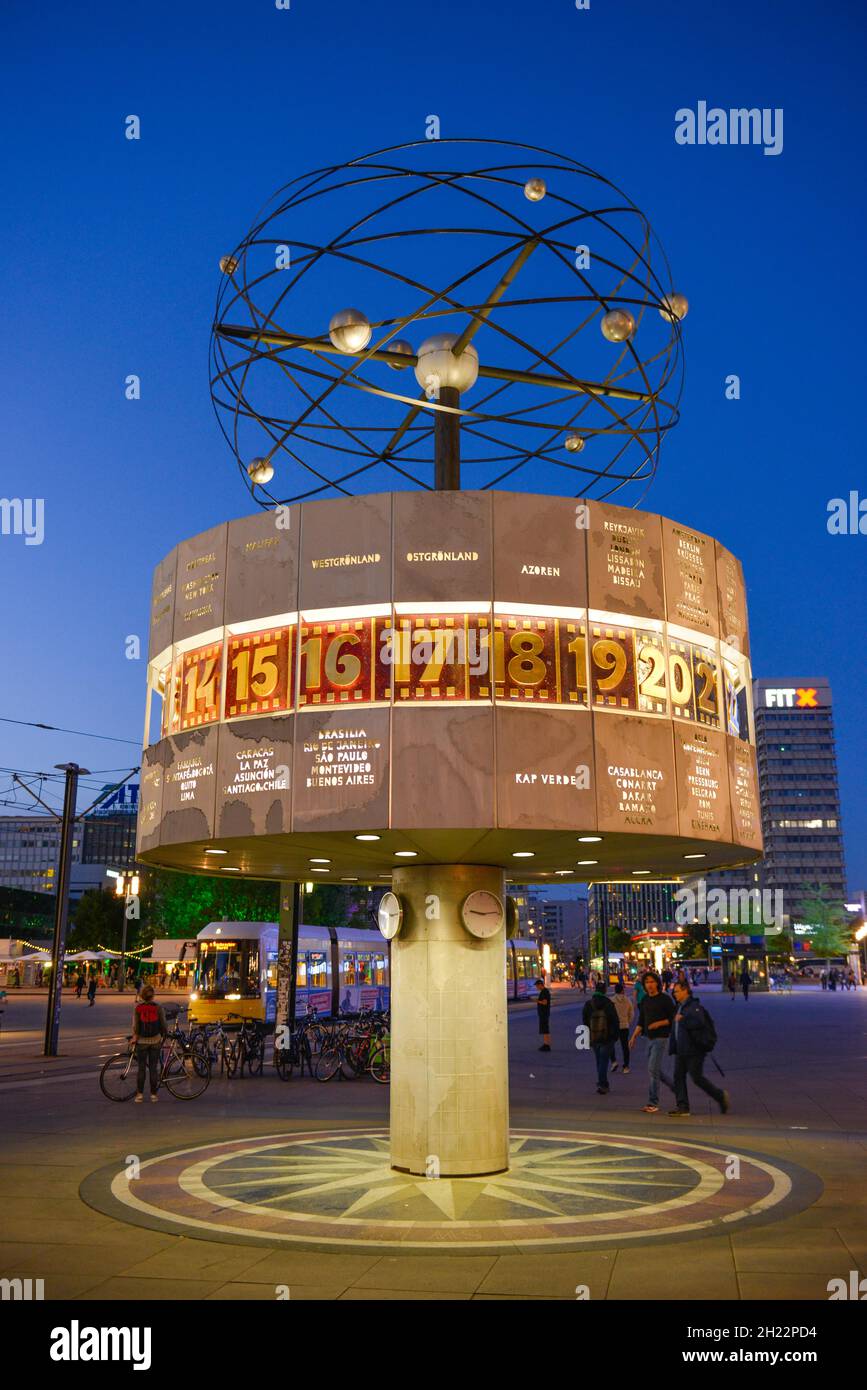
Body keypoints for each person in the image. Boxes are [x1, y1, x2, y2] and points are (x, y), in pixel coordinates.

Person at [667, 980, 729, 1117]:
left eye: (676, 991)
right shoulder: (680, 1006)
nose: (674, 994)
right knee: (678, 1077)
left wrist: (682, 1020)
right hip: (681, 1049)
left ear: (685, 991)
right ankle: (683, 1107)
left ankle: (720, 1096)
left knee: (697, 1078)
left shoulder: (694, 1007)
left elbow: (698, 1023)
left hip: (693, 1050)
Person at [629, 970, 675, 1113]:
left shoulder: (665, 999)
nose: (649, 985)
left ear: (657, 983)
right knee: (654, 1069)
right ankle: (675, 1087)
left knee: (652, 1069)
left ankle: (653, 1102)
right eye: (647, 982)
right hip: (647, 1038)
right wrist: (633, 1037)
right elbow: (641, 1020)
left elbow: (673, 1018)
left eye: (652, 982)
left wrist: (659, 1023)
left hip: (660, 1038)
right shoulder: (645, 1000)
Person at [131, 983, 168, 1103]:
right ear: (153, 996)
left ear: (142, 996)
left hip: (141, 1041)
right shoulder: (158, 1007)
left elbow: (136, 1026)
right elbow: (163, 1024)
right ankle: (153, 1095)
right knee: (153, 1068)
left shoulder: (138, 1008)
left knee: (141, 1068)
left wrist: (135, 1036)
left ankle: (139, 1095)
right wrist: (164, 1035)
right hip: (155, 1040)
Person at [582, 983, 619, 1094]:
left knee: (599, 1060)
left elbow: (585, 1021)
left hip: (594, 1037)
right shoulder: (609, 1003)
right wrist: (614, 1036)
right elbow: (615, 1021)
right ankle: (602, 1084)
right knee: (603, 1061)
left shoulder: (588, 1004)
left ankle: (602, 1082)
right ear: (605, 991)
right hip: (607, 1037)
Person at [611, 982, 634, 1073]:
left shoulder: (612, 1000)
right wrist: (628, 1022)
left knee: (611, 1044)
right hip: (624, 1026)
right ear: (622, 990)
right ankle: (626, 1066)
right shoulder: (628, 1000)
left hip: (614, 1026)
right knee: (625, 1046)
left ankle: (614, 1061)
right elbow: (631, 1014)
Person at [536, 977, 551, 1051]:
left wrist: (537, 1001)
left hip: (544, 1014)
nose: (536, 987)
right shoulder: (544, 991)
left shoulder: (544, 992)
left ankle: (546, 1045)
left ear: (540, 985)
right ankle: (546, 1044)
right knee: (545, 1029)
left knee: (545, 1029)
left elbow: (545, 1002)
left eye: (537, 986)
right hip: (544, 1013)